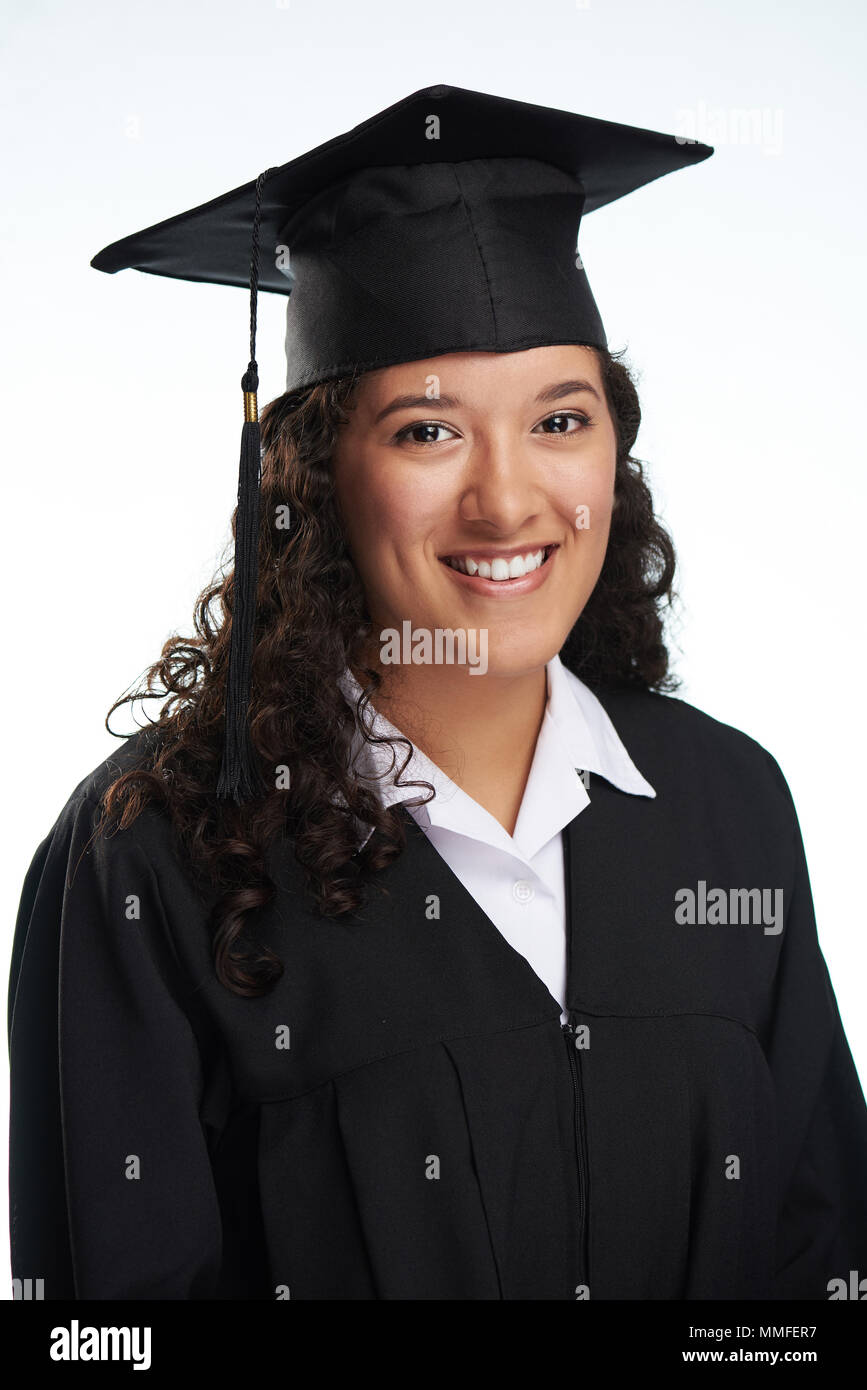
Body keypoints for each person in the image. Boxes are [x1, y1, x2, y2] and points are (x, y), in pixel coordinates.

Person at [8, 84, 867, 1301]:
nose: (509, 501)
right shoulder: (157, 858)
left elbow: (818, 1263)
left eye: (560, 419)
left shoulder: (727, 805)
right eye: (427, 433)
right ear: (312, 473)